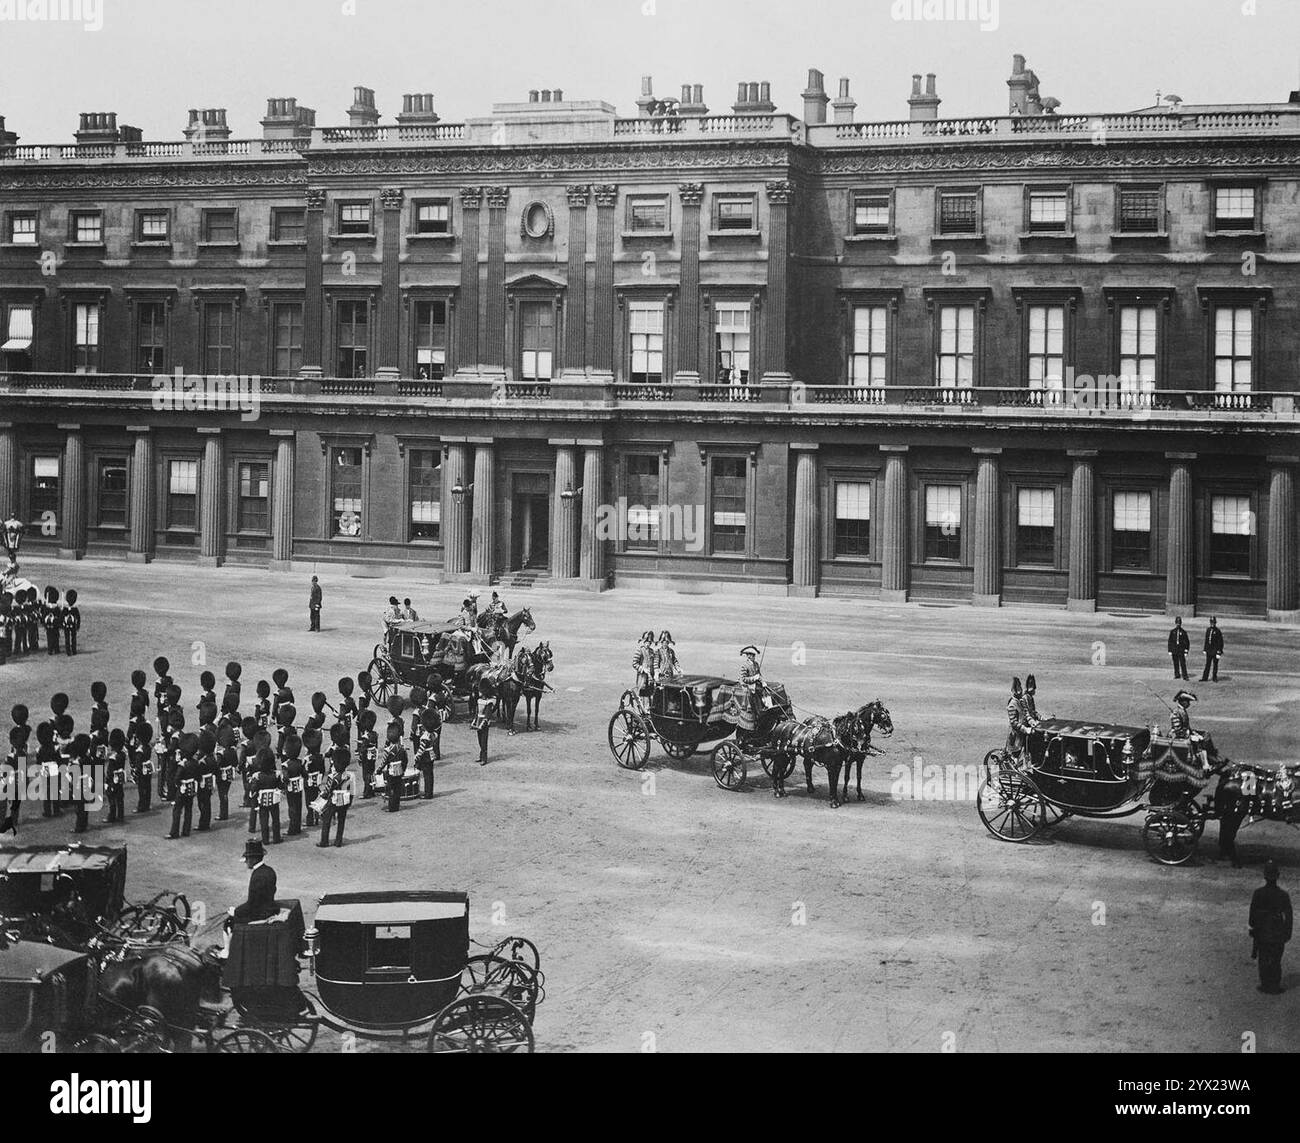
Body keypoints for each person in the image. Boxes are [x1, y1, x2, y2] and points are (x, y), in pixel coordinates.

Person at [1249, 860, 1293, 994]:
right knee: (1276, 959)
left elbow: (1252, 916)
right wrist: (1287, 933)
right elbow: (1289, 917)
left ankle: (1265, 984)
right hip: (1278, 931)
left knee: (1263, 958)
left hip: (1262, 931)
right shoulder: (1283, 895)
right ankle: (1274, 985)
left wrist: (1254, 928)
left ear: (1264, 876)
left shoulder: (1258, 893)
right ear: (1278, 875)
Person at [230, 840, 277, 924]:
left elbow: (252, 904)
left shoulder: (257, 876)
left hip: (261, 913)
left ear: (254, 859)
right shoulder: (269, 870)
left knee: (231, 921)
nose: (246, 862)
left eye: (247, 859)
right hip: (270, 907)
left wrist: (236, 911)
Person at [316, 749, 353, 848]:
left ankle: (324, 841)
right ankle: (338, 841)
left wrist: (321, 794)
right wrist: (350, 802)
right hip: (344, 801)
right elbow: (351, 792)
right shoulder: (349, 776)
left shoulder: (333, 777)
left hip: (333, 801)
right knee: (341, 821)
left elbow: (327, 791)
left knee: (326, 820)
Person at [104, 728, 127, 824]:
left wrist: (107, 781)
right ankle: (120, 815)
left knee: (112, 798)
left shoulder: (113, 757)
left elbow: (110, 771)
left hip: (113, 779)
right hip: (120, 778)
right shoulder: (123, 754)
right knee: (120, 797)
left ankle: (112, 816)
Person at [1005, 678, 1031, 764]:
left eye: (1020, 688)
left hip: (1022, 734)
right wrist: (1025, 729)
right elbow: (1014, 722)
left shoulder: (1022, 701)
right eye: (1017, 689)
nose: (1019, 691)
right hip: (1015, 736)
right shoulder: (1012, 705)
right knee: (1015, 756)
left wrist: (1032, 722)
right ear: (1013, 691)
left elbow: (1027, 713)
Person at [1201, 618, 1225, 683]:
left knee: (1215, 665)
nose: (1212, 623)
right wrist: (1205, 649)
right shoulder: (1208, 630)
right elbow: (1206, 640)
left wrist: (1219, 651)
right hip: (1209, 650)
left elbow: (1220, 642)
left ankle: (1214, 677)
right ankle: (1205, 677)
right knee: (1207, 665)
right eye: (1211, 622)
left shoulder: (1217, 631)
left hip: (1215, 651)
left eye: (1213, 622)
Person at [1168, 617, 1191, 681]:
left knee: (1182, 663)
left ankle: (1185, 675)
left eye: (1179, 623)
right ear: (1175, 623)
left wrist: (1186, 650)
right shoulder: (1172, 632)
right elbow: (1170, 641)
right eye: (1177, 623)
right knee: (1175, 663)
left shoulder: (1183, 632)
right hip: (1174, 650)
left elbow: (1187, 642)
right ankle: (1177, 674)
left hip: (1181, 650)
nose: (1178, 624)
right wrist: (1170, 650)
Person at [62, 589, 81, 656]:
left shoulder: (65, 609)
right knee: (73, 638)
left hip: (66, 625)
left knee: (67, 638)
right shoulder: (75, 609)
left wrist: (61, 624)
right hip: (73, 625)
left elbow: (62, 616)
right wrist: (78, 625)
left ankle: (68, 651)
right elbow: (78, 618)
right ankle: (74, 650)